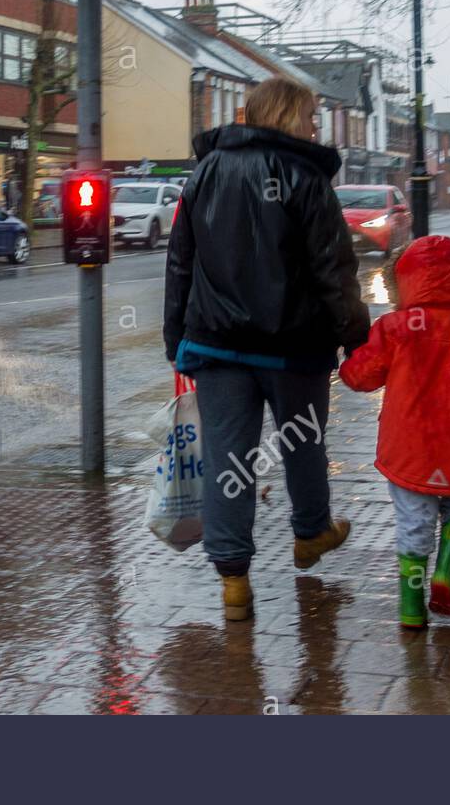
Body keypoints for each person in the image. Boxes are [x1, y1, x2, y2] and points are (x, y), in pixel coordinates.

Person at [164, 77, 369, 621]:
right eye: (309, 116)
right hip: (293, 347)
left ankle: (233, 581)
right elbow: (333, 268)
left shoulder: (205, 173)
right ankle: (311, 532)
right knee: (303, 442)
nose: (314, 127)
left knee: (229, 460)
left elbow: (180, 260)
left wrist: (174, 336)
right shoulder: (305, 177)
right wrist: (355, 335)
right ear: (284, 115)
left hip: (216, 346)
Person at [340, 235, 450, 628]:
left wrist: (346, 362)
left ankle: (410, 605)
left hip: (411, 446)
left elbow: (362, 376)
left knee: (414, 520)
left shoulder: (396, 327)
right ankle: (446, 572)